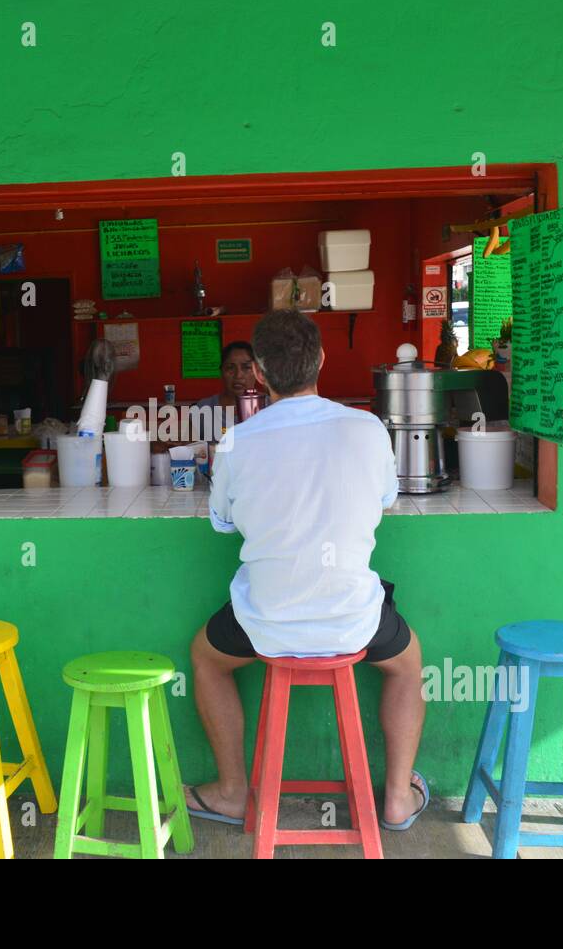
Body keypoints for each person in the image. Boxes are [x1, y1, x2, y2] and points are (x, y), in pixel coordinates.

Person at [184, 310, 428, 830]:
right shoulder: (367, 429)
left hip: (264, 624)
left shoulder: (237, 441)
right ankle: (398, 799)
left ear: (262, 375)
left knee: (206, 657)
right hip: (352, 620)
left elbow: (222, 522)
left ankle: (231, 792)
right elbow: (387, 499)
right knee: (406, 666)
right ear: (321, 359)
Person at [188, 341, 255, 443]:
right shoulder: (204, 409)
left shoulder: (271, 407)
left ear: (257, 372)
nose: (238, 375)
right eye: (230, 368)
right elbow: (190, 450)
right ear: (222, 372)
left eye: (246, 367)